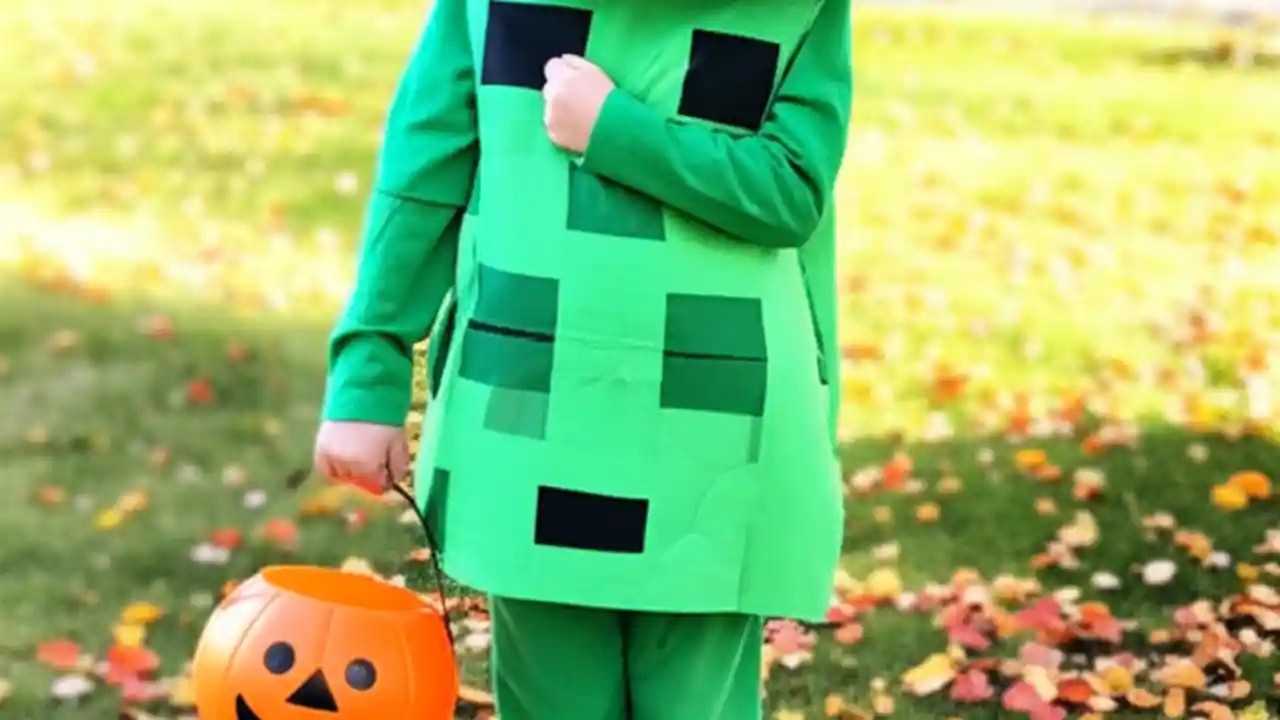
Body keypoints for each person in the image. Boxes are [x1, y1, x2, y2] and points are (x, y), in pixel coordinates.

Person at [313, 0, 853, 717]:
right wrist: (365, 378)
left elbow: (792, 189)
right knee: (554, 693)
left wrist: (617, 131)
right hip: (536, 412)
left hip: (712, 421)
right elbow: (423, 175)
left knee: (692, 694)